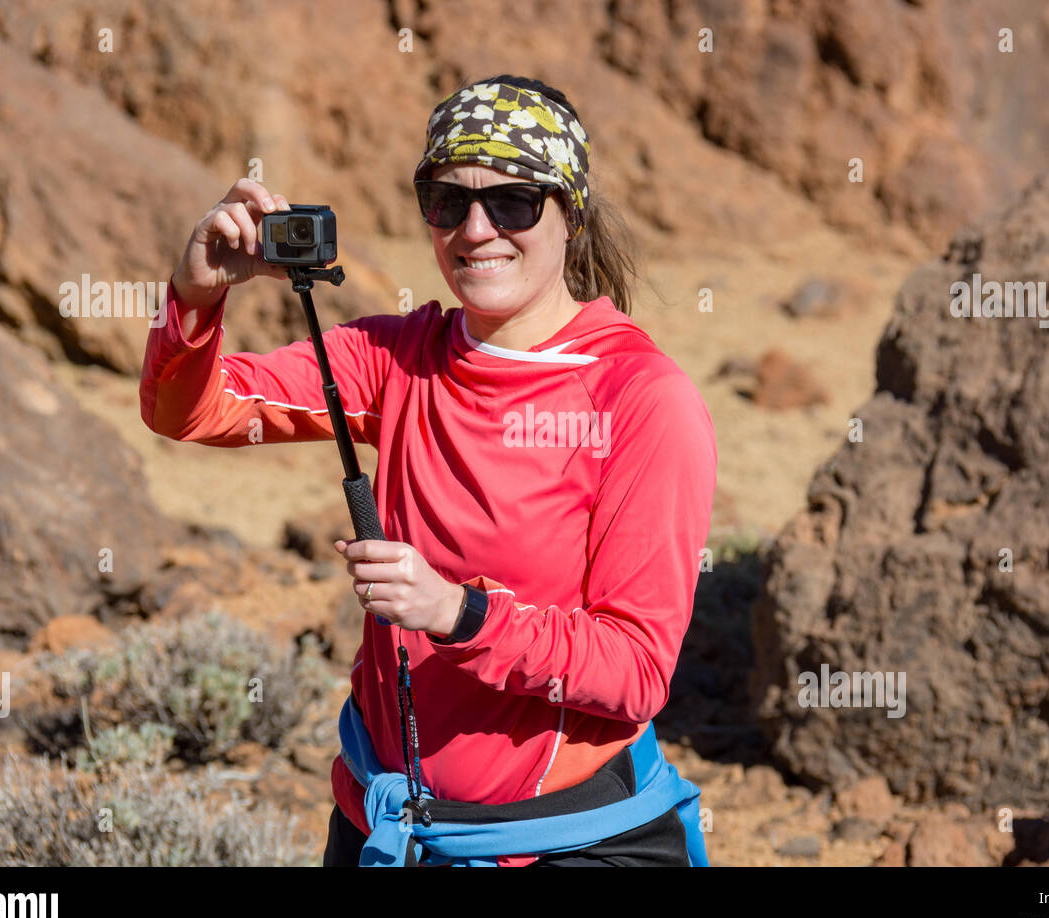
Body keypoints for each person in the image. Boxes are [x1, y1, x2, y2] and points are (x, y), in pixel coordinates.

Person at [140, 74, 717, 866]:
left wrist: (458, 612)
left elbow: (636, 669)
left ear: (571, 214)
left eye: (514, 202)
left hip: (569, 841)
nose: (477, 229)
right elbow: (195, 412)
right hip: (390, 825)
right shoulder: (395, 358)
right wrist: (194, 295)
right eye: (448, 202)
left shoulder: (641, 398)